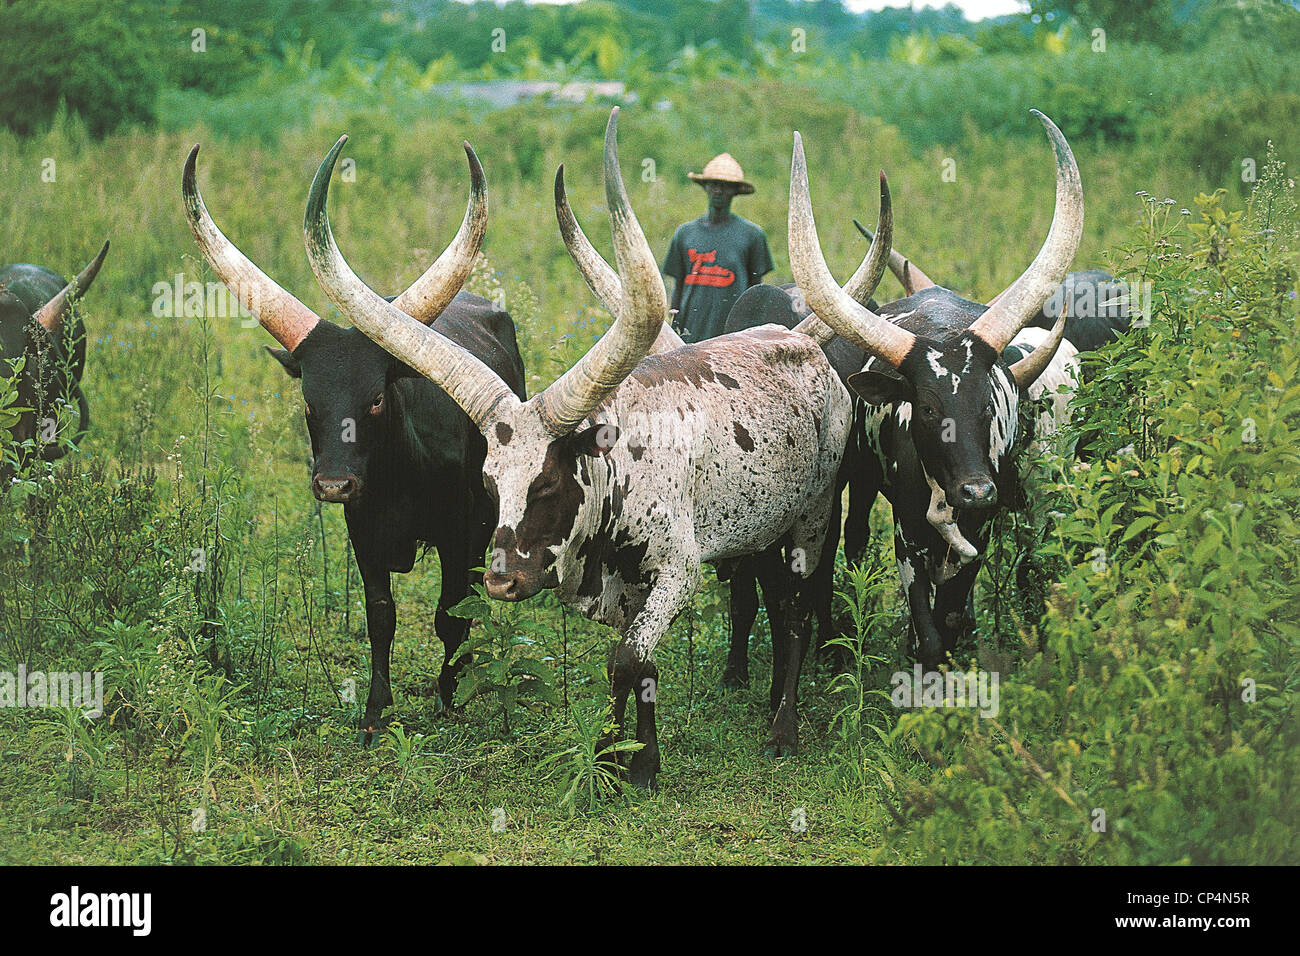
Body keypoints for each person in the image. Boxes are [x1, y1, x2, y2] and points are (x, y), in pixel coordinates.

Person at [662, 153, 774, 343]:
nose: (719, 190)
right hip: (691, 333)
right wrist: (675, 330)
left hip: (733, 335)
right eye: (714, 184)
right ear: (705, 187)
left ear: (735, 191)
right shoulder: (685, 234)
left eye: (726, 186)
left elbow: (756, 292)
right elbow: (678, 287)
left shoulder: (752, 235)